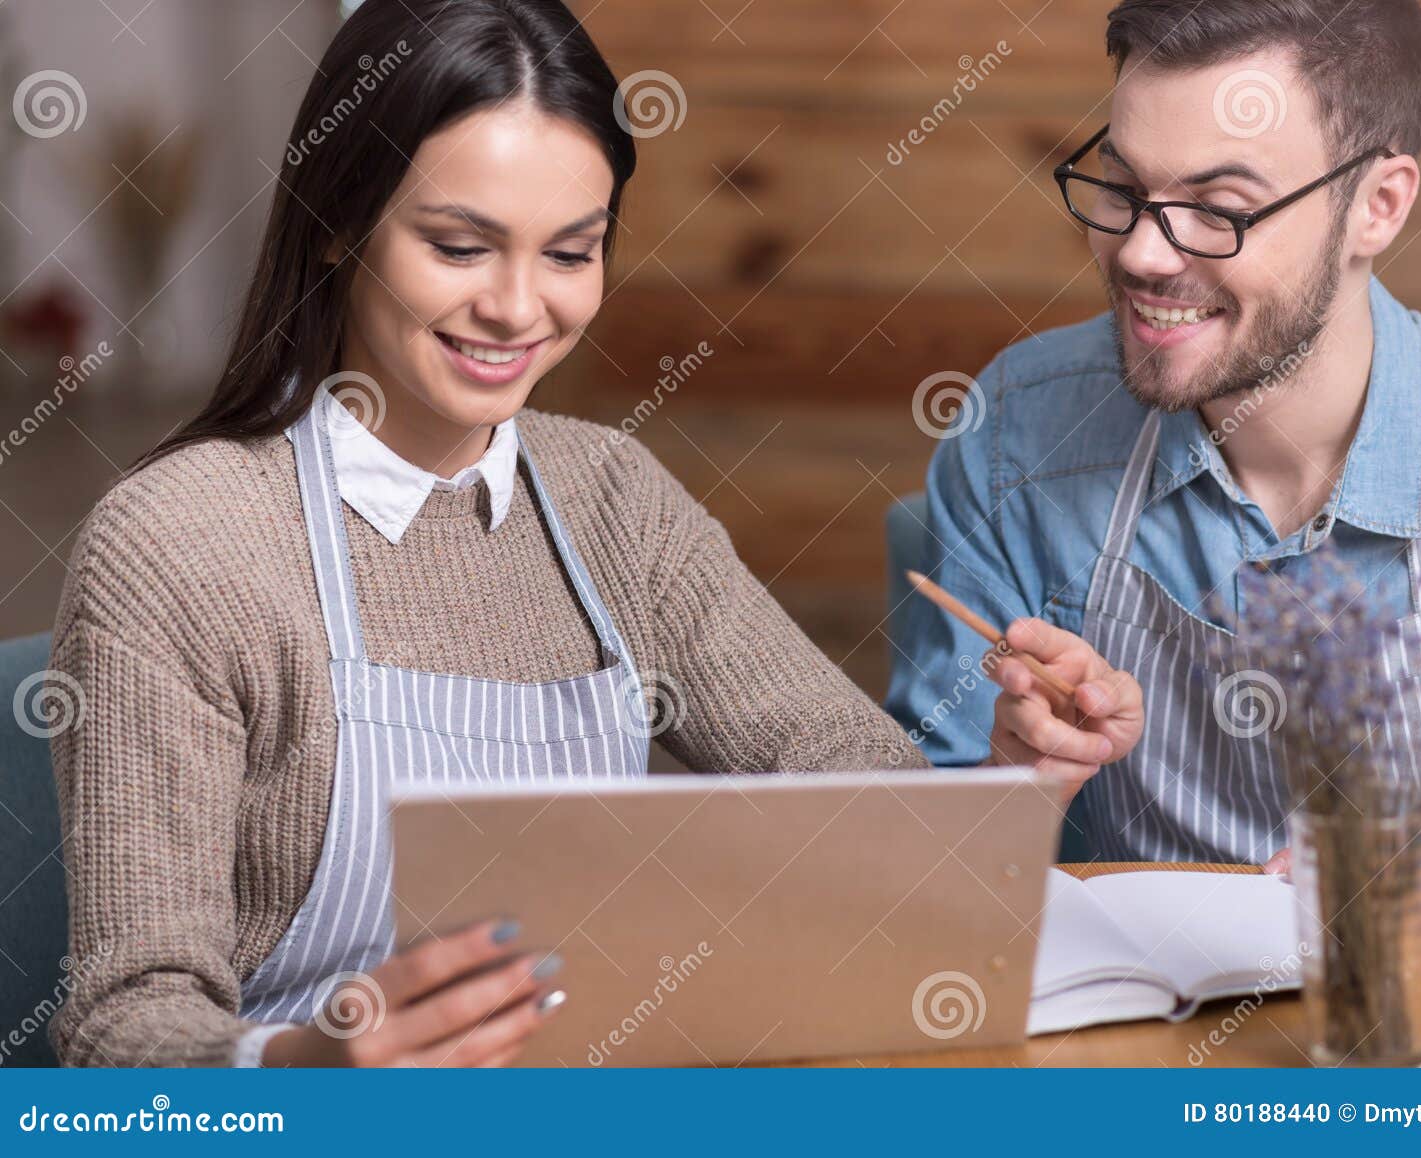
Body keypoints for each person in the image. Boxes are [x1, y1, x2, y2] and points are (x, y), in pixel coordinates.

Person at [49, 0, 923, 1068]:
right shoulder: (183, 542)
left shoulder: (611, 498)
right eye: (459, 247)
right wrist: (314, 1069)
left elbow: (847, 774)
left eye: (570, 253)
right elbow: (118, 1031)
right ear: (337, 223)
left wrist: (989, 791)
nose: (518, 309)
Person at [885, 0, 1421, 922]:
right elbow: (922, 889)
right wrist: (1016, 783)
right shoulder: (1019, 432)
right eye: (1124, 188)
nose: (1142, 253)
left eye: (1219, 210)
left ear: (1376, 207)